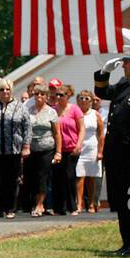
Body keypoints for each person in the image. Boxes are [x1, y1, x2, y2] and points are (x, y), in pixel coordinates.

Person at [94, 48, 130, 255]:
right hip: (118, 155)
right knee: (121, 200)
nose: (123, 66)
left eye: (126, 62)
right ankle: (127, 241)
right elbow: (102, 92)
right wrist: (104, 73)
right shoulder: (124, 84)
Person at [0, 78, 31, 218]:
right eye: (2, 89)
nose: (5, 92)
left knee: (12, 180)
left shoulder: (19, 106)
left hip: (14, 149)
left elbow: (27, 127)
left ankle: (10, 208)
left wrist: (26, 146)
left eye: (8, 89)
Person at [23, 81, 60, 216]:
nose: (39, 96)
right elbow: (24, 130)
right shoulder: (28, 110)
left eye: (42, 94)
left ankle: (40, 205)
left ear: (46, 96)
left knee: (42, 177)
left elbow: (57, 133)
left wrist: (58, 152)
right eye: (36, 93)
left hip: (47, 149)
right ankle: (34, 203)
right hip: (31, 149)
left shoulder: (51, 112)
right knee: (31, 177)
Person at [51, 82, 83, 214]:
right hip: (57, 149)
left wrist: (79, 144)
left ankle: (73, 207)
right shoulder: (53, 109)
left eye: (61, 95)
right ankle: (60, 207)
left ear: (68, 95)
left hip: (71, 148)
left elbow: (82, 129)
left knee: (70, 176)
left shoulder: (75, 109)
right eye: (57, 95)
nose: (58, 97)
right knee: (58, 177)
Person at [75, 90, 103, 213]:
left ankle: (92, 203)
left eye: (87, 98)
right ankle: (79, 204)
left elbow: (101, 134)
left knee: (92, 177)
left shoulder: (95, 114)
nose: (84, 100)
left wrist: (100, 151)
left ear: (91, 101)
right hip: (80, 147)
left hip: (92, 147)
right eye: (81, 98)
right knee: (79, 176)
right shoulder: (75, 113)